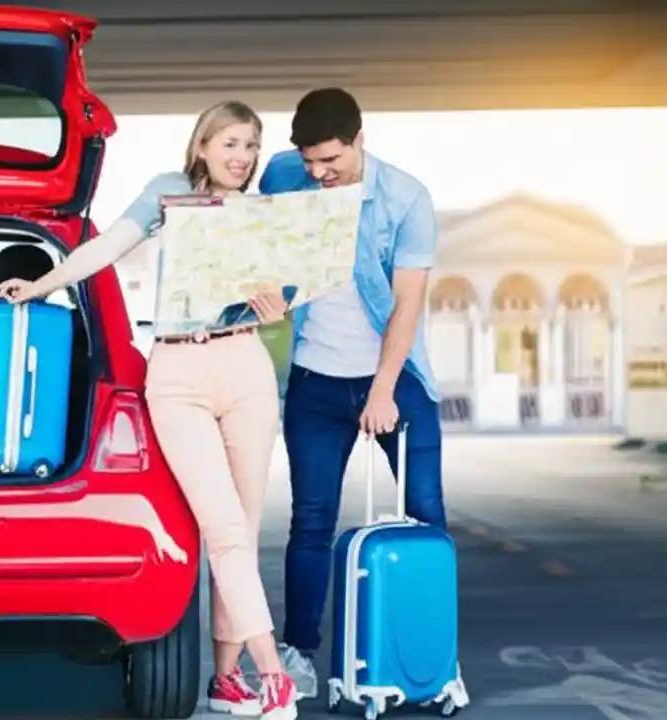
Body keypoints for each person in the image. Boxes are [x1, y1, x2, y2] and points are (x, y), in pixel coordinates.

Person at [0, 100, 299, 720]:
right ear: (204, 145)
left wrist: (279, 307)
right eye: (230, 144)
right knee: (222, 528)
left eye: (249, 146)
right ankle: (273, 676)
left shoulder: (262, 212)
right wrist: (45, 283)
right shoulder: (169, 194)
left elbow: (279, 295)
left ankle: (227, 679)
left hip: (246, 367)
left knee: (243, 529)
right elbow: (107, 245)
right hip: (179, 371)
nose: (240, 157)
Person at [257, 87, 447, 700]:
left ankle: (426, 645)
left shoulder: (405, 199)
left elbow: (408, 304)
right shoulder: (285, 178)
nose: (318, 173)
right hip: (315, 381)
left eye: (330, 161)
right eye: (310, 161)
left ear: (360, 140)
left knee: (425, 512)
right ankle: (300, 655)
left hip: (393, 380)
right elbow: (258, 247)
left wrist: (383, 391)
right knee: (311, 522)